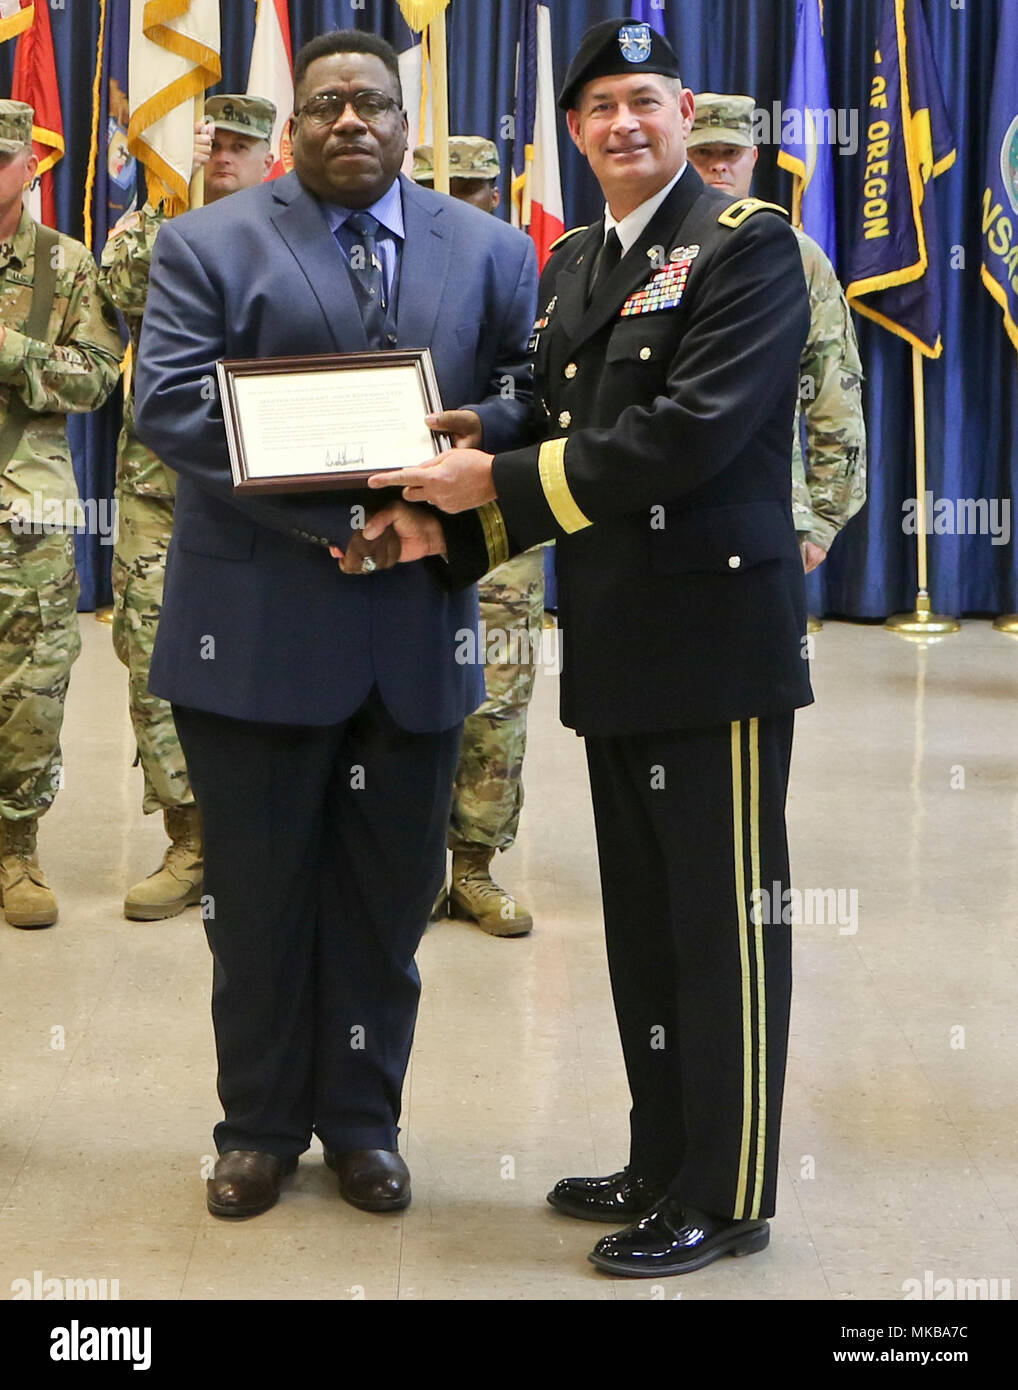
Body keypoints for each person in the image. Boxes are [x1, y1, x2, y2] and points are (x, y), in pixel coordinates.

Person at [369, 19, 813, 1276]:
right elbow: (564, 400)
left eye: (644, 102)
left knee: (719, 924)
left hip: (714, 645)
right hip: (619, 637)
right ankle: (661, 1150)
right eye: (598, 108)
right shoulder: (579, 258)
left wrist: (486, 478)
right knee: (647, 920)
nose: (622, 124)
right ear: (573, 131)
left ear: (684, 114)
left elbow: (685, 436)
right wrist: (476, 421)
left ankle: (725, 1193)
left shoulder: (747, 247)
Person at [133, 30, 537, 1220]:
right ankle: (255, 1128)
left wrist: (455, 459)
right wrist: (344, 515)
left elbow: (531, 388)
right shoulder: (205, 243)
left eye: (372, 103)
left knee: (384, 901)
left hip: (415, 631)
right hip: (252, 628)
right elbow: (168, 404)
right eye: (325, 105)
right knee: (255, 900)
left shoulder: (493, 248)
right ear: (292, 127)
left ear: (406, 123)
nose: (350, 121)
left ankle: (364, 1124)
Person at [99, 97, 276, 922]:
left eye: (244, 146)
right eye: (217, 144)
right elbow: (119, 286)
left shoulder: (292, 230)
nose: (227, 157)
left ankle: (255, 837)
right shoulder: (158, 225)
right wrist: (175, 194)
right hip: (158, 485)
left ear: (274, 151)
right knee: (151, 658)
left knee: (262, 654)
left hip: (260, 485)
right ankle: (188, 838)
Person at [413, 136, 543, 937]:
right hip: (398, 508)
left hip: (498, 515)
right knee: (405, 696)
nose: (468, 200)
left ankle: (475, 867)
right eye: (448, 186)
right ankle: (415, 866)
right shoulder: (381, 261)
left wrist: (485, 425)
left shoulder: (518, 263)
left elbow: (536, 386)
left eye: (482, 188)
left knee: (497, 698)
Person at [0, 99, 123, 929]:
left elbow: (96, 379)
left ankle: (15, 850)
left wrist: (10, 352)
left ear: (29, 169)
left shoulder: (65, 265)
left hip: (28, 515)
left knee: (31, 693)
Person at [686, 93, 866, 577]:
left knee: (761, 650)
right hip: (661, 510)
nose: (717, 168)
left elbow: (833, 386)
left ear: (753, 156)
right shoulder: (654, 248)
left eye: (730, 154)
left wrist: (825, 517)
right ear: (682, 150)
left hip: (766, 511)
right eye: (703, 154)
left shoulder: (793, 254)